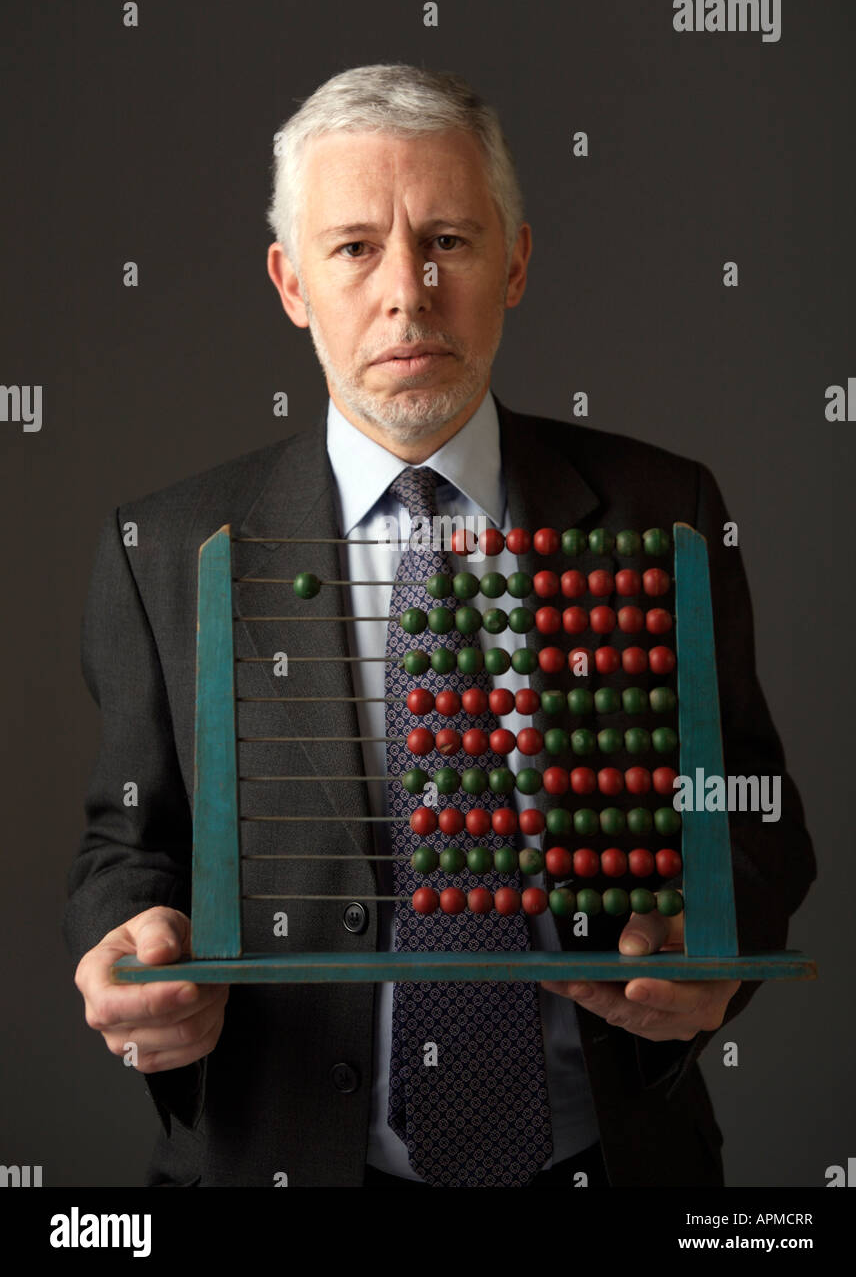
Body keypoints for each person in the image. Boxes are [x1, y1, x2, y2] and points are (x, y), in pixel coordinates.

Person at [64, 64, 816, 1188]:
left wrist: (715, 942)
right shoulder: (163, 550)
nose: (406, 293)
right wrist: (131, 946)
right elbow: (128, 840)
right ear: (289, 281)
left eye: (449, 241)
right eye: (354, 246)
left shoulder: (667, 513)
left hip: (607, 1163)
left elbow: (749, 802)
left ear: (514, 262)